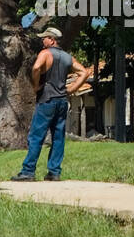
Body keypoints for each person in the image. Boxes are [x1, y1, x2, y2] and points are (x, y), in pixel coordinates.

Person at [12, 27, 90, 181]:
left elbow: (35, 68)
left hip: (46, 100)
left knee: (36, 136)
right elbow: (84, 72)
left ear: (52, 40)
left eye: (45, 38)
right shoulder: (68, 57)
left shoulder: (45, 53)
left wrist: (35, 86)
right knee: (58, 137)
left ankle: (28, 171)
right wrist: (72, 88)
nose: (42, 40)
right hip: (62, 101)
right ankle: (54, 172)